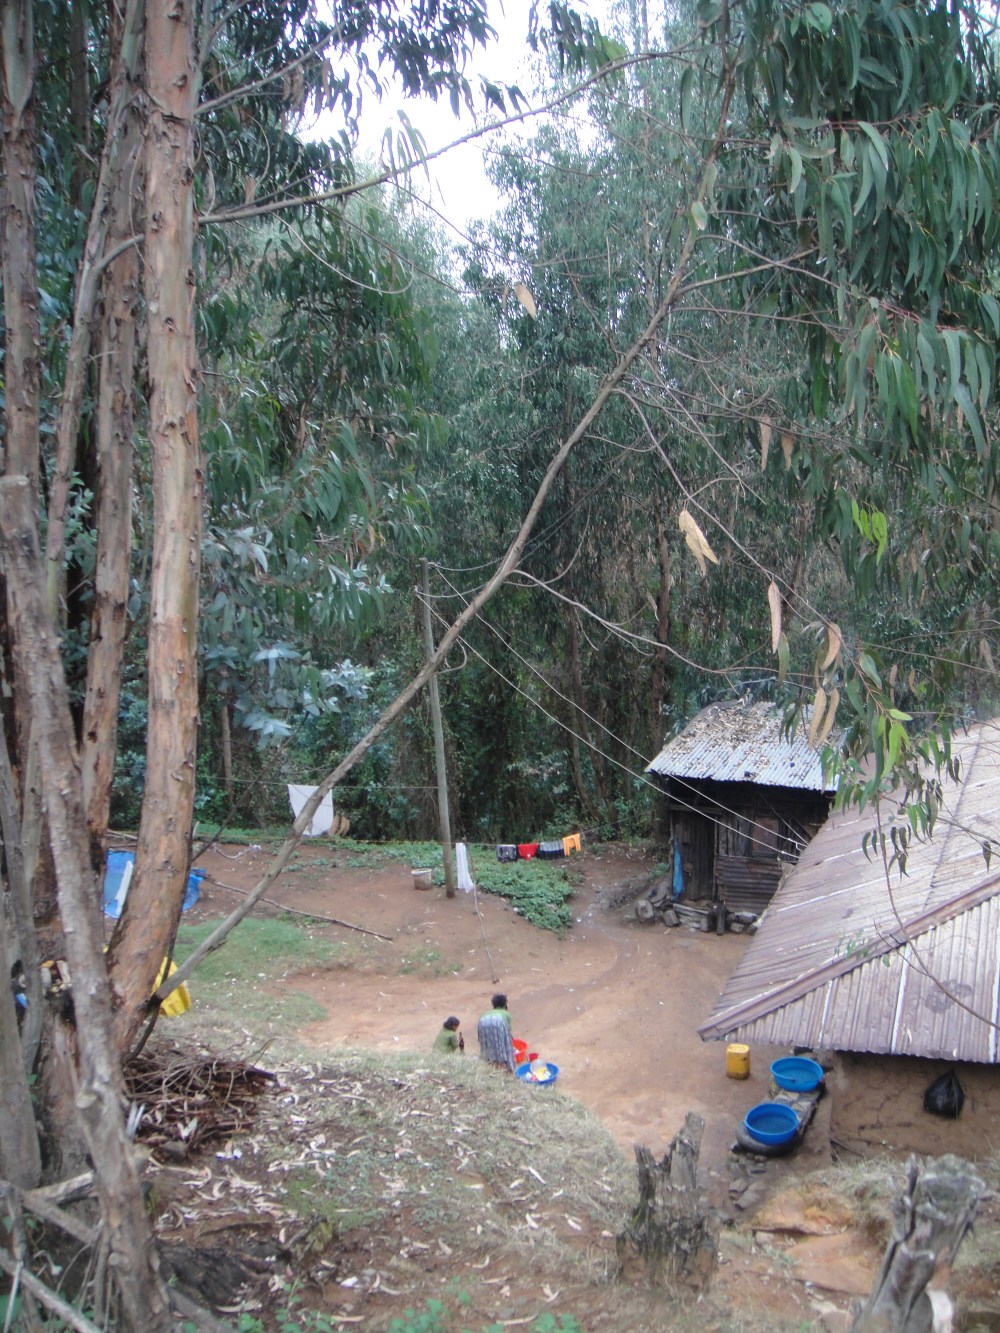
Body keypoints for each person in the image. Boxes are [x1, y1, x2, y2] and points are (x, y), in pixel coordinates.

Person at [478, 996, 516, 1072]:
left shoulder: (486, 1013)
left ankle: (488, 1063)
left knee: (487, 1044)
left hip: (482, 1021)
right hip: (498, 1021)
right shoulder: (506, 1014)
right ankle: (507, 1067)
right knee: (503, 1044)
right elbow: (507, 1032)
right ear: (505, 1004)